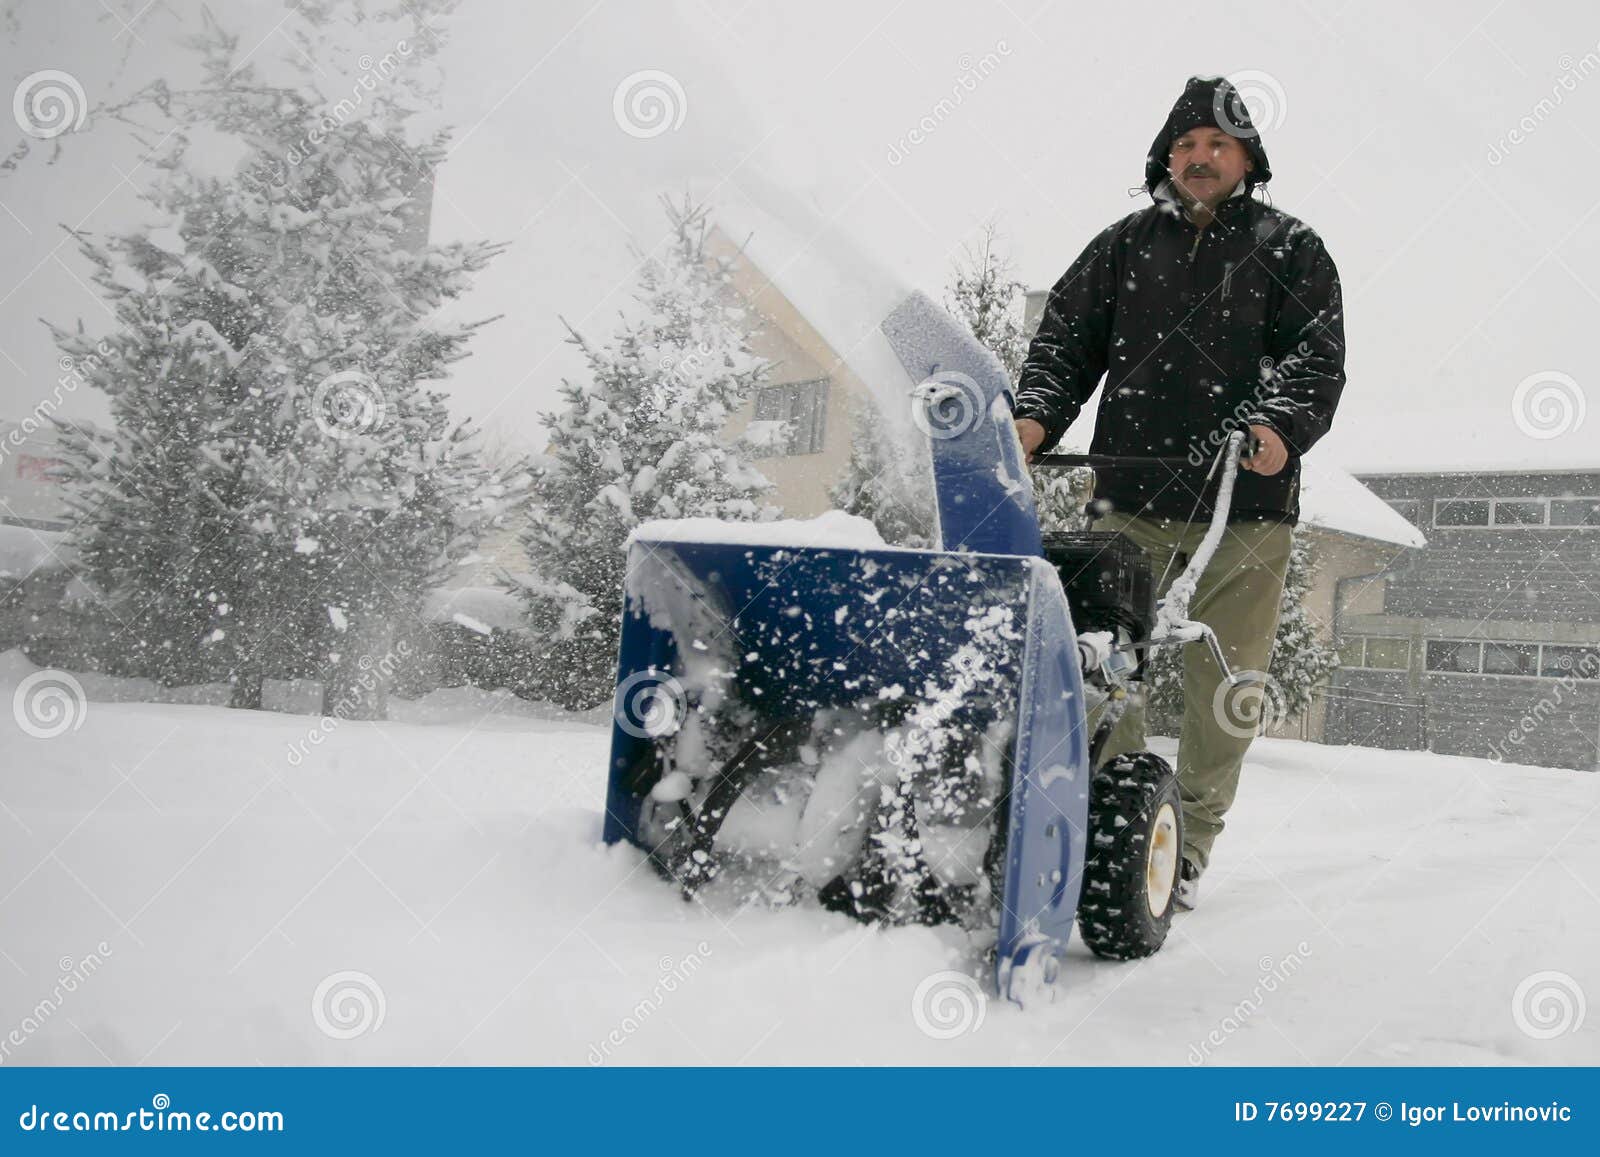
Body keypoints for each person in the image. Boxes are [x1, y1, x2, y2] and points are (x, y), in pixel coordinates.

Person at [1013, 75, 1346, 910]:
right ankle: (1119, 820)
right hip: (1125, 506)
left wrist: (1276, 427)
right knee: (1106, 673)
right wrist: (1034, 419)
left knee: (1224, 691)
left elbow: (1315, 357)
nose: (1200, 158)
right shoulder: (1124, 246)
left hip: (1246, 513)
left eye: (1217, 145)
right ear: (1167, 156)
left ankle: (1185, 844)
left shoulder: (1291, 248)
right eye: (1186, 144)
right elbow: (1064, 341)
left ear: (1247, 158)